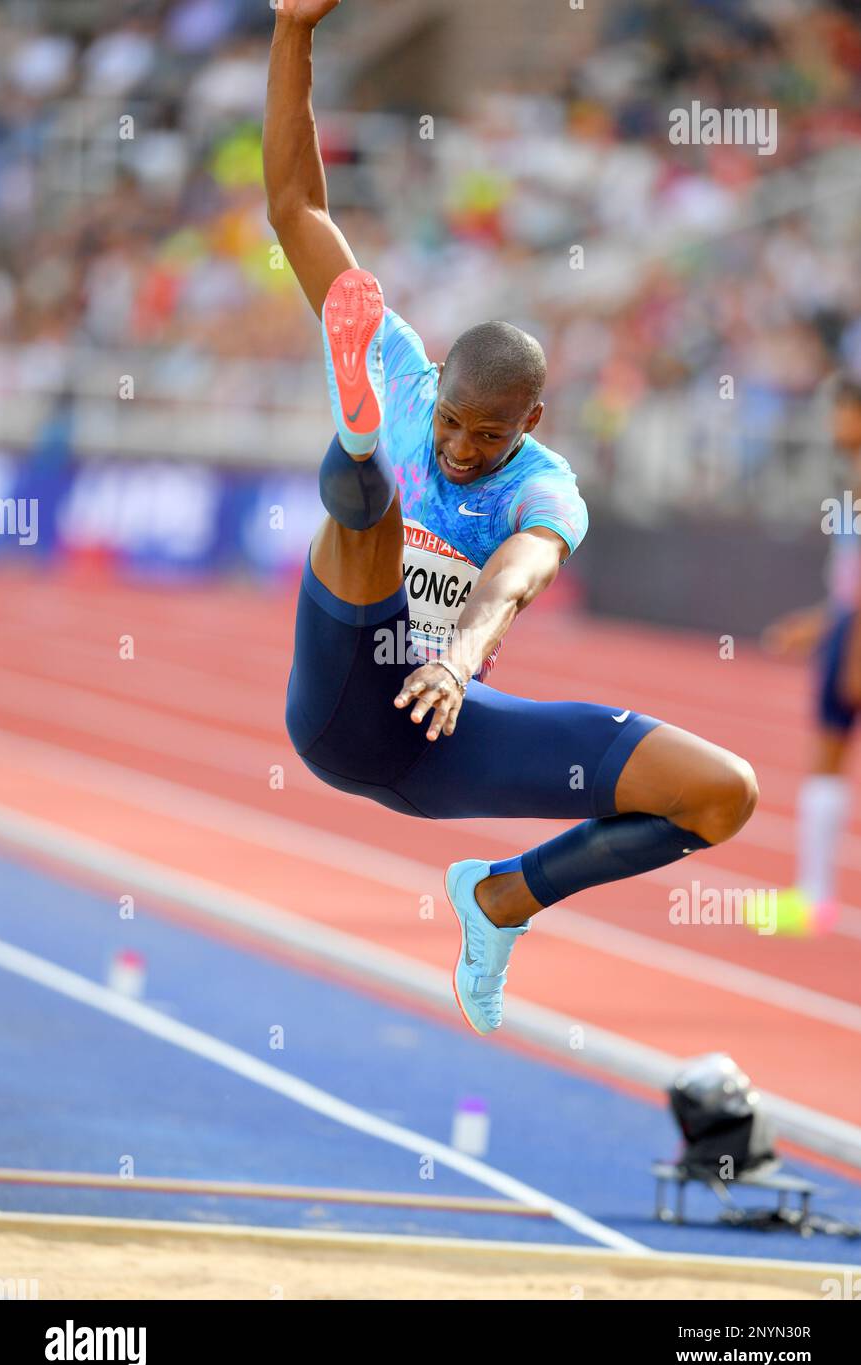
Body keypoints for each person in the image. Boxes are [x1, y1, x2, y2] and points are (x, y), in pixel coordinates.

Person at [265, 0, 758, 1034]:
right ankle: (355, 454)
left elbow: (517, 573)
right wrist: (293, 29)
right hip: (342, 696)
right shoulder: (400, 369)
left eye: (484, 435)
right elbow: (293, 207)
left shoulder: (543, 486)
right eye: (447, 422)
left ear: (525, 421)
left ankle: (498, 902)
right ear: (433, 382)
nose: (457, 445)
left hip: (441, 732)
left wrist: (461, 659)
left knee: (721, 792)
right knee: (369, 517)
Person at [759, 379, 861, 936]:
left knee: (828, 752)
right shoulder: (849, 480)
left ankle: (815, 897)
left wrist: (849, 638)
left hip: (856, 632)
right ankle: (813, 896)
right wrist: (821, 622)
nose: (832, 424)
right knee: (825, 759)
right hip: (846, 622)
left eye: (842, 413)